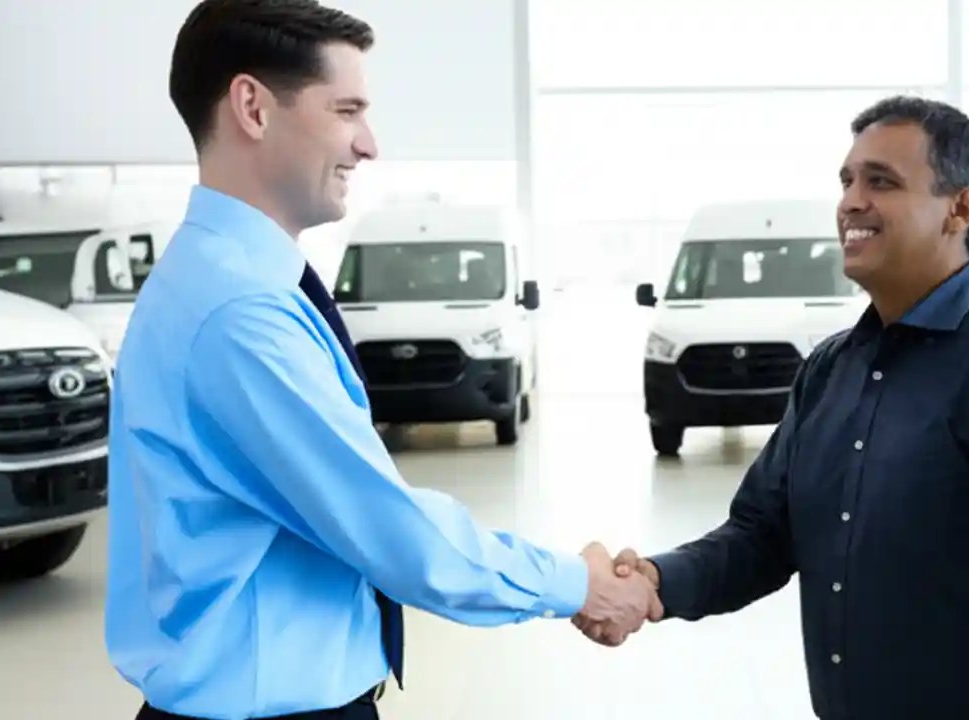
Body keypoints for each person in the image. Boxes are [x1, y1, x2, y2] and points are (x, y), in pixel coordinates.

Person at [104, 2, 658, 719]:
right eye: (347, 111)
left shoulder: (214, 280)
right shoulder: (238, 314)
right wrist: (578, 584)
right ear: (253, 107)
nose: (367, 145)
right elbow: (390, 531)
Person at [576, 96, 969, 718]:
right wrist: (655, 582)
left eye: (881, 182)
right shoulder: (830, 370)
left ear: (960, 209)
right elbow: (763, 534)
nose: (851, 203)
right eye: (847, 181)